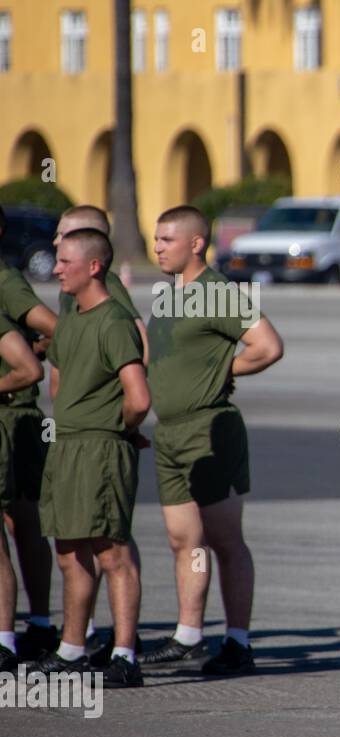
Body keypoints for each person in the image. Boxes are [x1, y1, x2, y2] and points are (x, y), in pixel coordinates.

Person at [140, 205, 283, 677]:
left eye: (166, 239)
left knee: (224, 539)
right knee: (183, 540)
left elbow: (267, 346)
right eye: (156, 239)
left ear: (196, 243)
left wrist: (221, 370)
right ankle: (188, 636)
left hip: (209, 428)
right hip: (171, 433)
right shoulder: (167, 295)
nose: (157, 247)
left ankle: (238, 643)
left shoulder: (218, 292)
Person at [31, 229, 150, 688]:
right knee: (68, 549)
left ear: (93, 266)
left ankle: (124, 655)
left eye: (65, 261)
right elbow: (60, 385)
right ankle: (72, 648)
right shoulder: (72, 319)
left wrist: (117, 429)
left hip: (100, 446)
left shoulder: (113, 320)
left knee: (111, 551)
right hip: (67, 445)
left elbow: (138, 398)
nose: (57, 268)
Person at [0, 206, 59, 663]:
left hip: (14, 414)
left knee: (24, 525)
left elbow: (56, 328)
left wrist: (36, 352)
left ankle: (36, 624)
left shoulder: (5, 279)